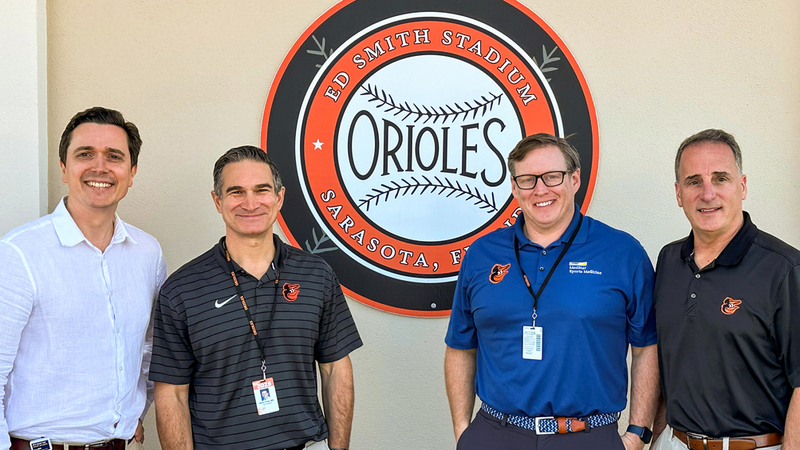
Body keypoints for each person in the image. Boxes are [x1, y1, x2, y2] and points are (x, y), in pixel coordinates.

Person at [444, 133, 659, 450]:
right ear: (515, 188)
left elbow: (645, 348)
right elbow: (460, 346)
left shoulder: (622, 253)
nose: (540, 190)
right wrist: (464, 431)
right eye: (528, 180)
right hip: (496, 433)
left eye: (552, 177)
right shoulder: (481, 255)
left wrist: (637, 434)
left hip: (588, 436)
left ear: (575, 179)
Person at [150, 146, 362, 450]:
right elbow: (171, 394)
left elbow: (335, 369)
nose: (250, 203)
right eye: (236, 192)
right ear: (217, 201)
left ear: (279, 197)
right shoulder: (182, 290)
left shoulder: (317, 275)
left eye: (261, 190)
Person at [0, 107, 165, 450]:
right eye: (85, 154)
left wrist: (133, 415)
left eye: (114, 156)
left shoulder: (148, 253)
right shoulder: (19, 254)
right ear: (64, 167)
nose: (99, 167)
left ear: (131, 172)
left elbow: (149, 351)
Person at [651, 129, 799, 450]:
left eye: (720, 178)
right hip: (674, 442)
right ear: (678, 194)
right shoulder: (668, 261)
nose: (708, 193)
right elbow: (669, 364)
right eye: (693, 182)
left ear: (742, 187)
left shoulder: (785, 268)